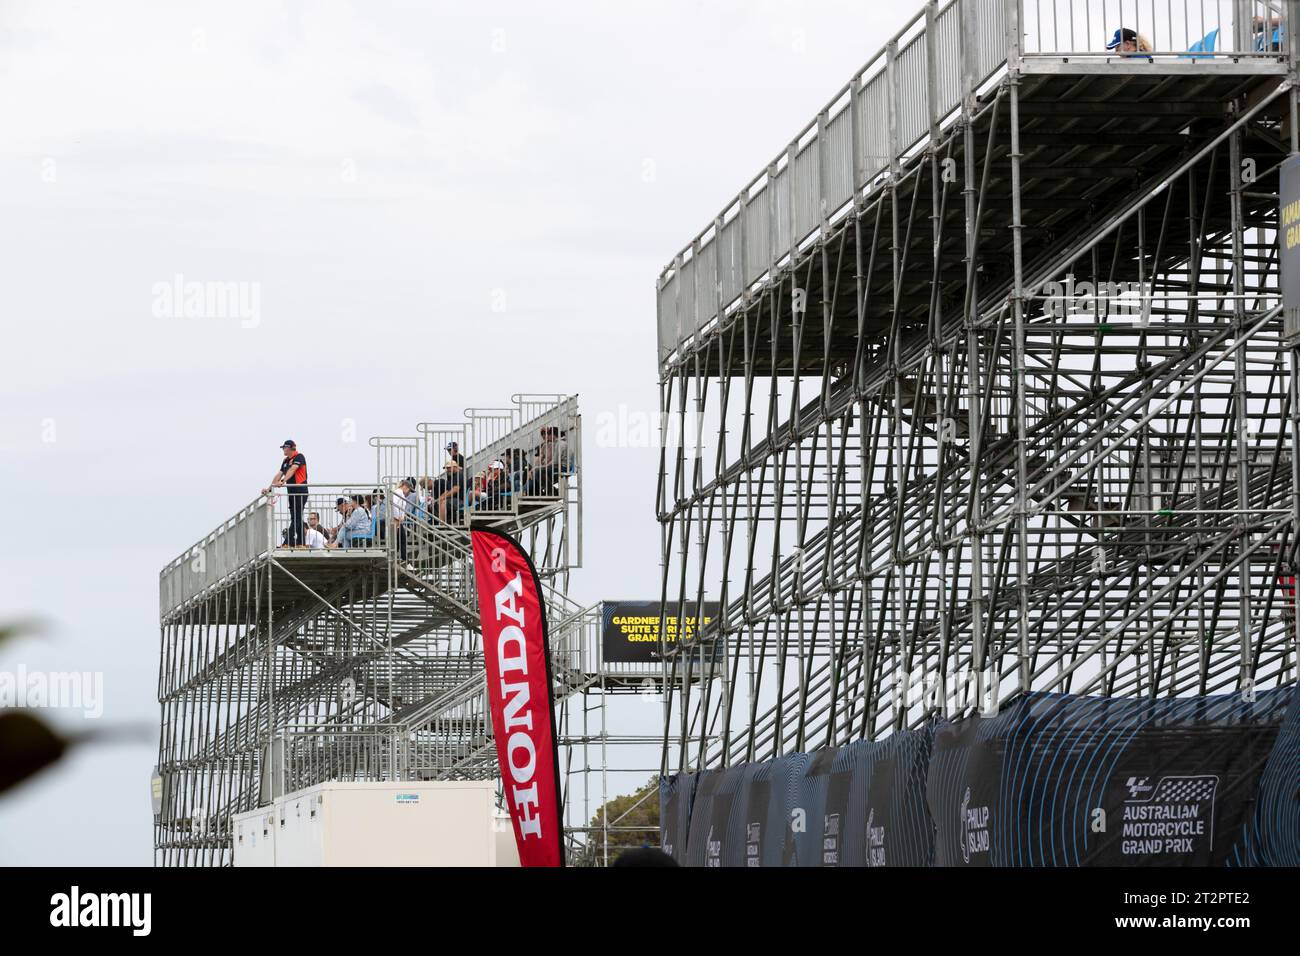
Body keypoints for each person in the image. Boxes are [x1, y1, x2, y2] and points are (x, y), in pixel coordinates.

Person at [262, 440, 308, 545]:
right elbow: (279, 474)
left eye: (284, 447)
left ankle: (287, 542)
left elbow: (292, 470)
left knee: (296, 517)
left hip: (301, 491)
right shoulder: (285, 460)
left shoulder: (299, 457)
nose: (283, 449)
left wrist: (282, 482)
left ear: (289, 448)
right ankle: (301, 543)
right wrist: (269, 488)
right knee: (296, 516)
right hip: (291, 492)